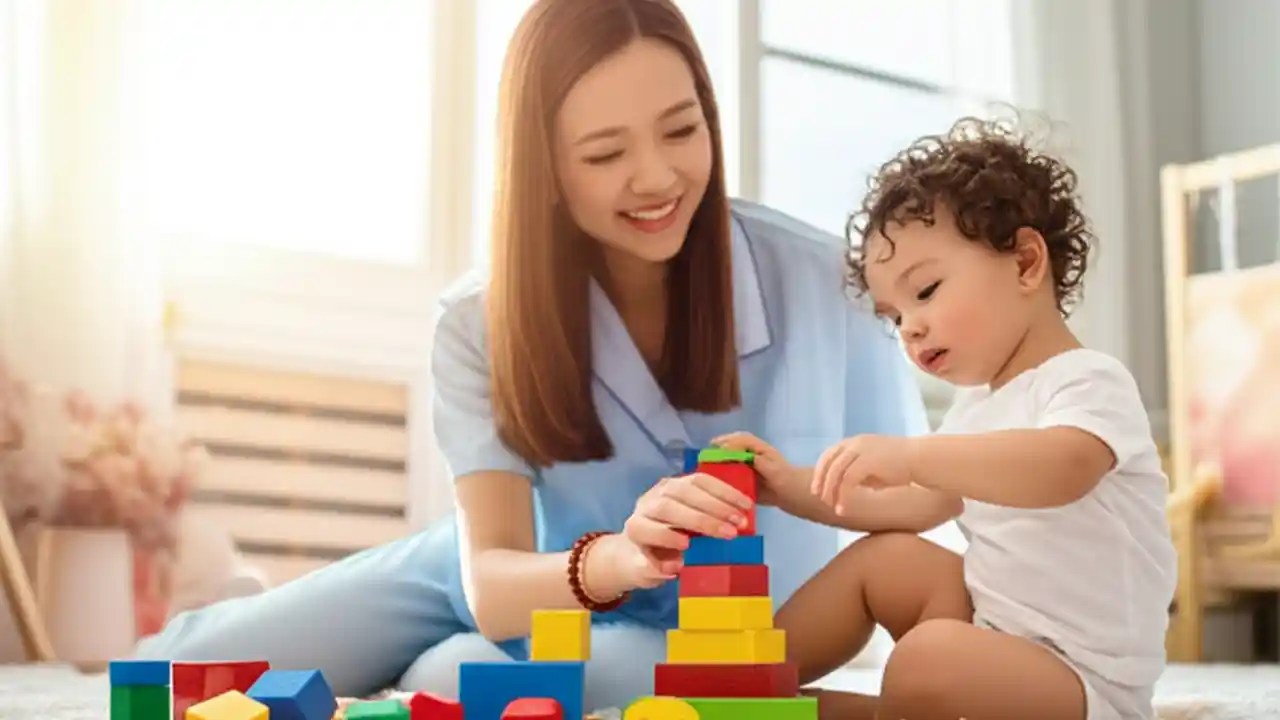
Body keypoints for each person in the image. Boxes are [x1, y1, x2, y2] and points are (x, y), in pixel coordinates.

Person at [133, 0, 928, 711]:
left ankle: (430, 674)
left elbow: (914, 501)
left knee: (516, 684)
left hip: (698, 635)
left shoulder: (829, 287)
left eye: (682, 130)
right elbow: (494, 581)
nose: (657, 177)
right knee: (184, 670)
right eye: (605, 153)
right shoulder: (481, 320)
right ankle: (335, 636)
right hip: (512, 572)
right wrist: (619, 556)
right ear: (544, 167)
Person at [718, 117, 1178, 720]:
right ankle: (739, 689)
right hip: (996, 640)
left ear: (1025, 263)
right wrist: (789, 487)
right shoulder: (976, 409)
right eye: (893, 315)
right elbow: (910, 503)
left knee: (926, 659)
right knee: (886, 559)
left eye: (927, 290)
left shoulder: (1087, 379)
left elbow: (1062, 468)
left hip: (1081, 684)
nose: (909, 326)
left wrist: (912, 455)